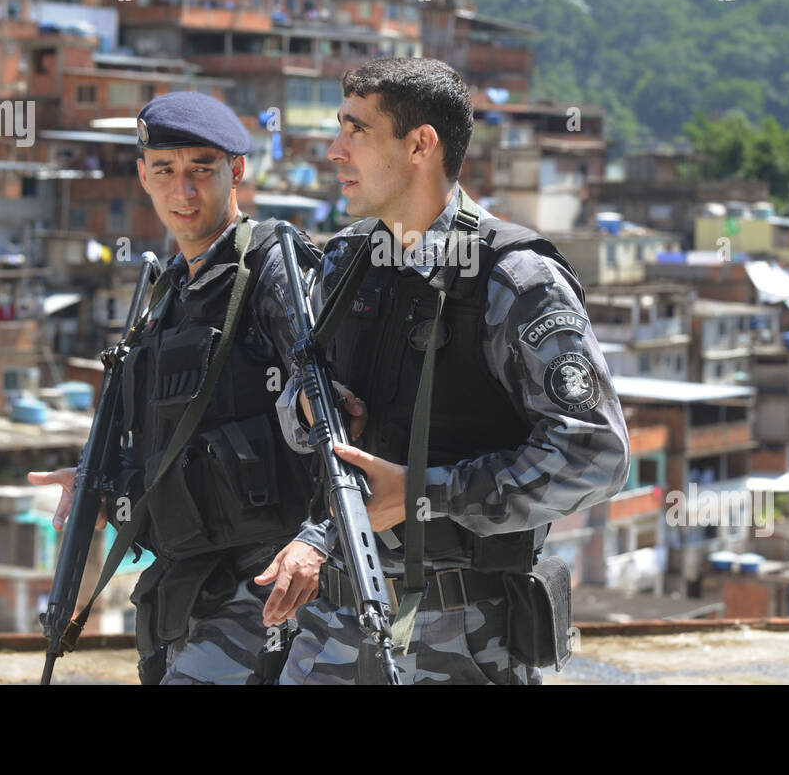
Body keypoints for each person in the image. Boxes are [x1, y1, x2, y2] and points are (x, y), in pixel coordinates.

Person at [267, 57, 630, 684]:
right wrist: (307, 408)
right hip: (334, 624)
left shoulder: (512, 277)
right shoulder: (347, 260)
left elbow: (595, 455)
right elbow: (299, 402)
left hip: (462, 634)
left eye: (356, 130)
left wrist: (423, 493)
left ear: (419, 145)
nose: (333, 150)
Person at [29, 92, 328, 684]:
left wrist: (318, 542)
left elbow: (335, 419)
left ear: (237, 171)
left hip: (266, 583)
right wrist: (100, 480)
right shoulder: (167, 296)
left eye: (202, 170)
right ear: (143, 176)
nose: (183, 191)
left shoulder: (272, 269)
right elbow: (176, 444)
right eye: (165, 170)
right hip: (185, 584)